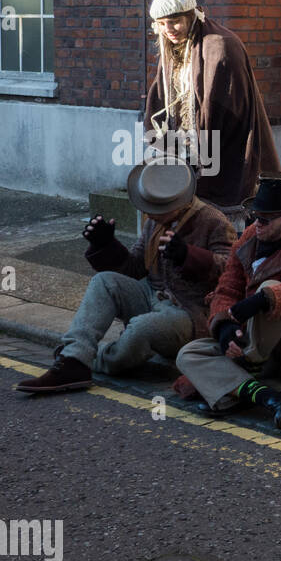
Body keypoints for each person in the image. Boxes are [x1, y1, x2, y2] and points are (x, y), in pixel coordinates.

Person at [15, 160, 234, 393]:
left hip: (188, 312)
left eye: (155, 207)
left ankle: (94, 360)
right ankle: (74, 361)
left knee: (142, 328)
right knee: (104, 281)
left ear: (179, 202)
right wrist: (106, 245)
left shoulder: (214, 221)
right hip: (151, 296)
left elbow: (231, 274)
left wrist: (188, 256)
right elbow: (134, 269)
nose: (148, 212)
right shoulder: (154, 223)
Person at [174, 173, 281, 434]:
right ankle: (269, 397)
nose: (256, 223)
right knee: (188, 354)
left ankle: (240, 373)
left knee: (270, 288)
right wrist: (224, 330)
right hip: (252, 337)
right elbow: (226, 290)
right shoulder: (249, 238)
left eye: (265, 218)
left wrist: (263, 299)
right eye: (253, 215)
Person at [142, 0, 281, 230]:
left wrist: (202, 148)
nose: (168, 30)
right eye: (162, 24)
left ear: (192, 16)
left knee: (223, 215)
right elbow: (162, 96)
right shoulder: (172, 47)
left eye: (174, 22)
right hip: (188, 145)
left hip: (225, 142)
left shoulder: (220, 46)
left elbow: (230, 107)